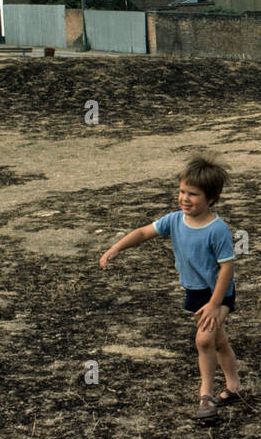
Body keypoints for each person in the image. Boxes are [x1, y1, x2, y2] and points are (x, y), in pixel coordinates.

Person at [99, 153, 242, 423]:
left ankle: (206, 396)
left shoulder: (218, 229)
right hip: (195, 291)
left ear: (211, 198)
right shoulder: (174, 220)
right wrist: (115, 248)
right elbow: (142, 233)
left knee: (203, 339)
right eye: (182, 191)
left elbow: (227, 268)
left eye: (193, 194)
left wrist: (214, 303)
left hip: (218, 293)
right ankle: (234, 387)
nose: (185, 198)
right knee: (218, 340)